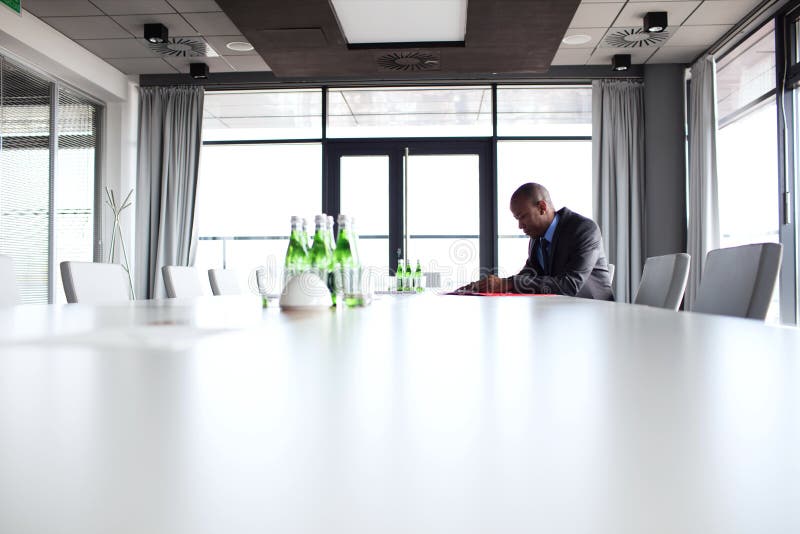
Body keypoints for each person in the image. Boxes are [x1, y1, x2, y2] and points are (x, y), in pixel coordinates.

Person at [460, 182, 614, 300]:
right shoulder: (537, 238)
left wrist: (507, 284)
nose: (520, 226)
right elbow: (530, 274)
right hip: (559, 312)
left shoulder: (583, 229)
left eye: (522, 217)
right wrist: (489, 286)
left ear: (542, 207)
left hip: (594, 313)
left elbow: (569, 285)